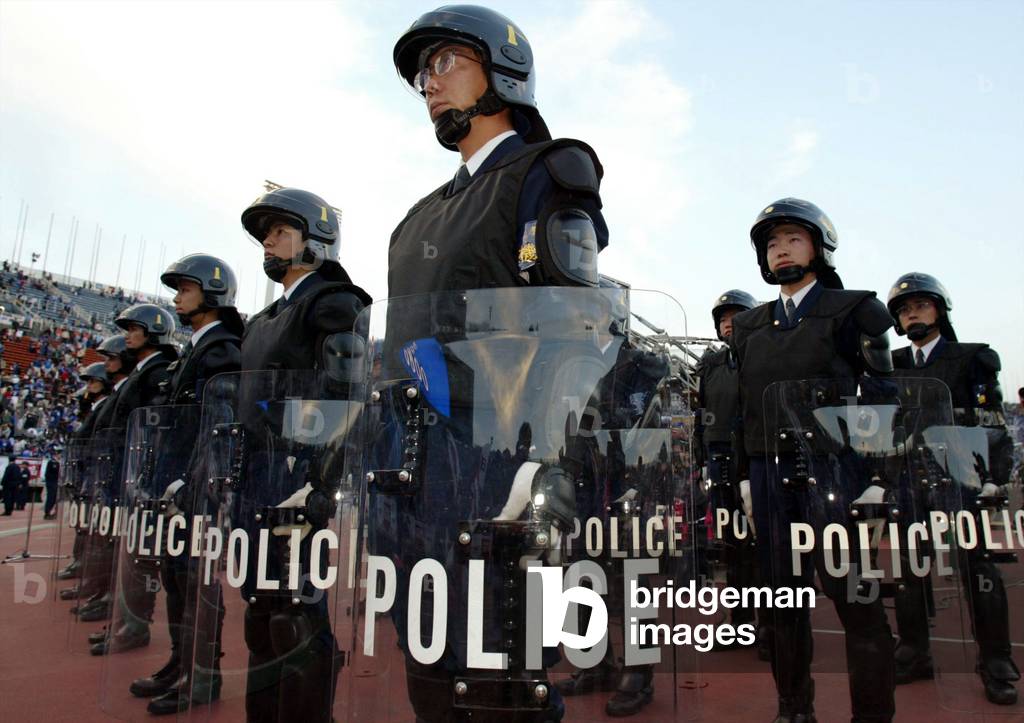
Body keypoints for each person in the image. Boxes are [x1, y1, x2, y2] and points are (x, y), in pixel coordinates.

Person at [381, 6, 616, 721]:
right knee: (427, 668)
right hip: (416, 473)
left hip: (500, 469)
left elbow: (577, 329)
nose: (429, 83)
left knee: (502, 676)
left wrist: (537, 459)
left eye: (446, 61)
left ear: (504, 70)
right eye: (423, 72)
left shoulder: (546, 172)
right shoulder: (414, 218)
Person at [206, 186, 368, 723]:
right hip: (255, 479)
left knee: (296, 616)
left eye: (280, 231)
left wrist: (318, 480)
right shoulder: (260, 320)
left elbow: (345, 397)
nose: (268, 243)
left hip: (297, 484)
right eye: (266, 235)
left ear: (316, 238)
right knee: (260, 612)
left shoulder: (337, 303)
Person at [731, 198, 897, 722]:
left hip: (834, 470)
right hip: (768, 474)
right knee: (781, 604)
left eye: (793, 239)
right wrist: (744, 478)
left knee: (855, 599)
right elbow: (741, 408)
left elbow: (882, 396)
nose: (781, 250)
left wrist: (877, 475)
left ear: (820, 247)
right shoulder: (751, 327)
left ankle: (872, 714)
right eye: (772, 243)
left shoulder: (855, 311)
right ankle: (793, 709)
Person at [886, 272, 1020, 705]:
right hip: (910, 480)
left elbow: (992, 423)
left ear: (940, 310)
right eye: (904, 310)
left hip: (961, 478)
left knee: (978, 570)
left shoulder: (973, 357)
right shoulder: (892, 366)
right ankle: (913, 651)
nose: (912, 314)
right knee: (909, 571)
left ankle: (995, 660)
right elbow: (886, 427)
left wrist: (994, 476)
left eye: (920, 306)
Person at [128, 255, 244, 715]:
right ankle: (181, 662)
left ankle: (202, 674)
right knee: (176, 580)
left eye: (185, 288)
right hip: (176, 489)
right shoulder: (198, 348)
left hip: (195, 491)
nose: (177, 296)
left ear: (212, 293)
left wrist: (185, 482)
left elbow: (214, 426)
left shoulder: (223, 350)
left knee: (196, 582)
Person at [90, 304, 177, 655]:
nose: (127, 335)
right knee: (130, 553)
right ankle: (125, 619)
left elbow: (152, 425)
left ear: (152, 331)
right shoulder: (145, 371)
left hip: (141, 472)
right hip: (127, 473)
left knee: (140, 556)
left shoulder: (156, 372)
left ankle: (134, 624)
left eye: (134, 328)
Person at [695, 289, 764, 655]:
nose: (728, 322)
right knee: (734, 547)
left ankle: (772, 623)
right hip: (721, 461)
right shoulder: (711, 366)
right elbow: (700, 416)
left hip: (756, 458)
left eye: (736, 315)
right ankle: (740, 623)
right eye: (723, 317)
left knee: (767, 544)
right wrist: (700, 459)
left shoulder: (766, 359)